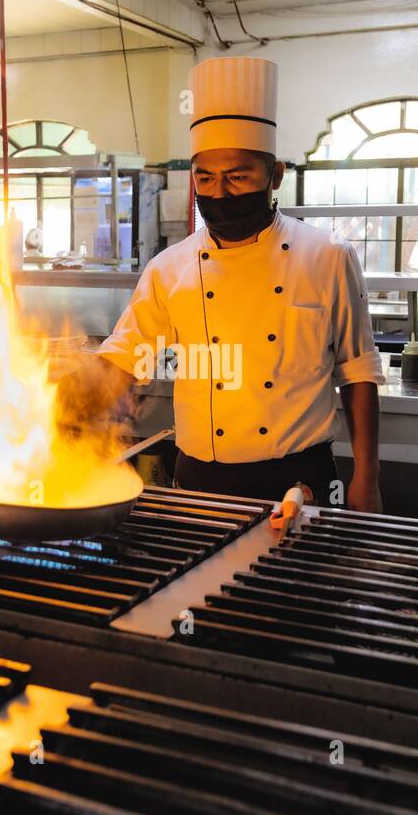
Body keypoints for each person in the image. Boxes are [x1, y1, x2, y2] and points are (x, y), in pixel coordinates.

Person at [58, 55, 383, 511]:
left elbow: (358, 372)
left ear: (275, 175)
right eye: (205, 177)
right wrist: (54, 406)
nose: (220, 193)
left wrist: (366, 478)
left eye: (237, 177)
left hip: (301, 478)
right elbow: (123, 360)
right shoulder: (169, 268)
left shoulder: (327, 256)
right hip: (198, 480)